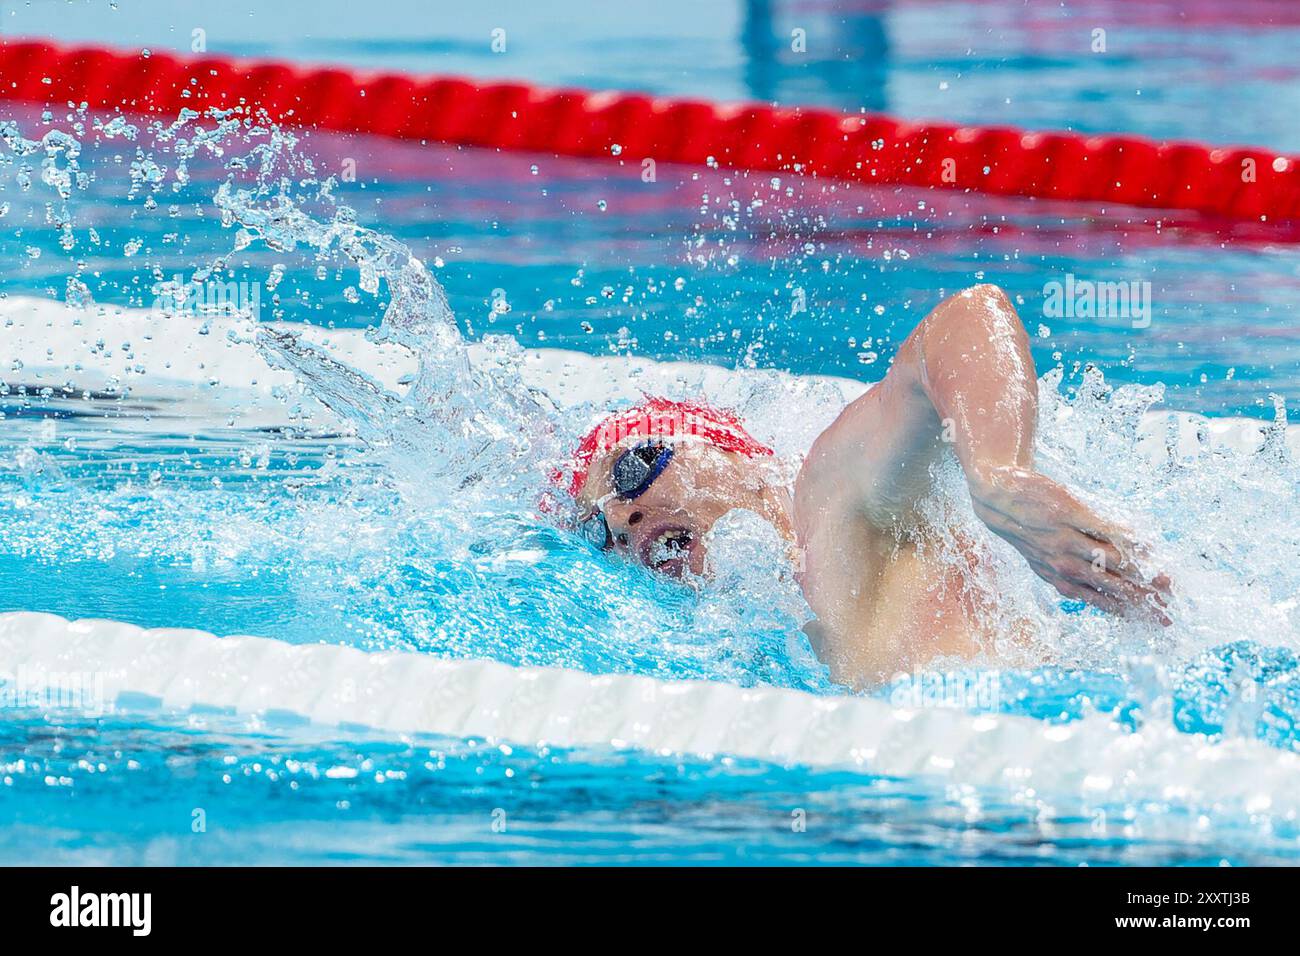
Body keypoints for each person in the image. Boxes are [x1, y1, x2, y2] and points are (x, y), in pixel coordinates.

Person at [562, 284, 1172, 688]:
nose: (619, 517)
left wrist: (999, 476)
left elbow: (967, 318)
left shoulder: (829, 496)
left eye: (632, 468)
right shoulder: (764, 634)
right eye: (597, 528)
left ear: (729, 453)